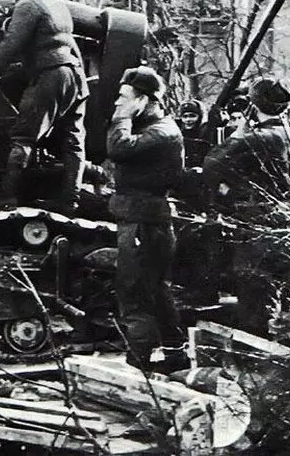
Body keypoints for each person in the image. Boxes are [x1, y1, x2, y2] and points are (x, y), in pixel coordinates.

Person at [203, 77, 290, 336]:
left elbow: (212, 166)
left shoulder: (252, 140)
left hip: (259, 232)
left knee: (256, 312)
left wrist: (238, 131)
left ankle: (258, 365)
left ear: (253, 107)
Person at [0, 0, 88, 211]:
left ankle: (7, 195)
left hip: (52, 74)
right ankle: (70, 200)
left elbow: (12, 43)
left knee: (23, 136)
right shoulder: (56, 4)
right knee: (73, 141)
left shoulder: (27, 4)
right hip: (75, 75)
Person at [104, 66, 188, 373]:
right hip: (145, 219)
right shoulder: (154, 129)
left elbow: (118, 149)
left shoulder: (162, 132)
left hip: (143, 222)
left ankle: (136, 365)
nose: (117, 103)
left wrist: (121, 119)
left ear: (145, 100)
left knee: (135, 291)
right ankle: (176, 356)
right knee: (155, 290)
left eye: (124, 97)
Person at [177, 99, 209, 168]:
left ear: (200, 117)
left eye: (192, 116)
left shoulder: (207, 134)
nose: (188, 120)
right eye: (185, 116)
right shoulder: (177, 134)